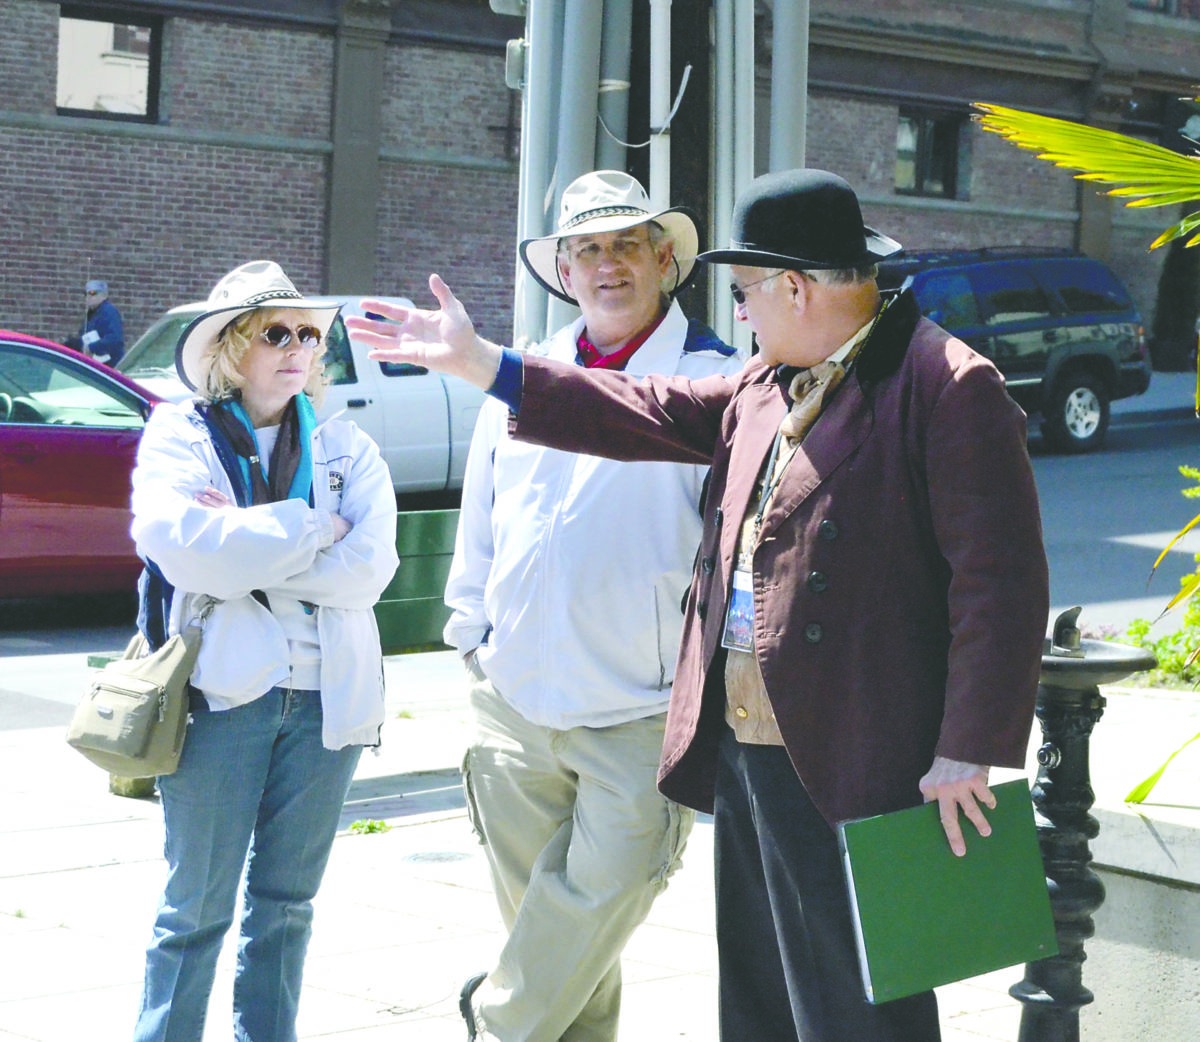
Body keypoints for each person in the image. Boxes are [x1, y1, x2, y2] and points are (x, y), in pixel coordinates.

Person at [348, 168, 1050, 1042]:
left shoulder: (944, 381)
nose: (744, 312)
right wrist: (482, 365)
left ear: (795, 286)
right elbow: (643, 406)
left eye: (751, 290)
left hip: (865, 745)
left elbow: (1001, 585)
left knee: (859, 999)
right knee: (760, 994)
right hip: (751, 742)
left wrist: (966, 749)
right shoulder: (765, 380)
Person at [441, 170, 741, 1042]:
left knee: (581, 916)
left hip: (638, 715)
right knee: (569, 949)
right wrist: (474, 639)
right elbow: (483, 520)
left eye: (625, 245)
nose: (607, 265)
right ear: (564, 271)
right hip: (514, 704)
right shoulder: (522, 379)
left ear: (664, 259)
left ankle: (492, 1022)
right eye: (586, 250)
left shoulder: (710, 382)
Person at [128, 260, 399, 1042]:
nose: (297, 348)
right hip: (222, 699)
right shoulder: (180, 433)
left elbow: (367, 575)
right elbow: (185, 550)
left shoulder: (350, 447)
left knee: (287, 907)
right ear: (230, 347)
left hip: (326, 704)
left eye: (309, 335)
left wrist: (250, 537)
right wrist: (316, 526)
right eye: (275, 333)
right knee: (194, 911)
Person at [66, 278, 125, 364]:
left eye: (92, 293)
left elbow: (114, 339)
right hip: (96, 364)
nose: (88, 297)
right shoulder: (92, 314)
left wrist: (91, 348)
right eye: (85, 294)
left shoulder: (109, 311)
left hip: (110, 366)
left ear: (104, 295)